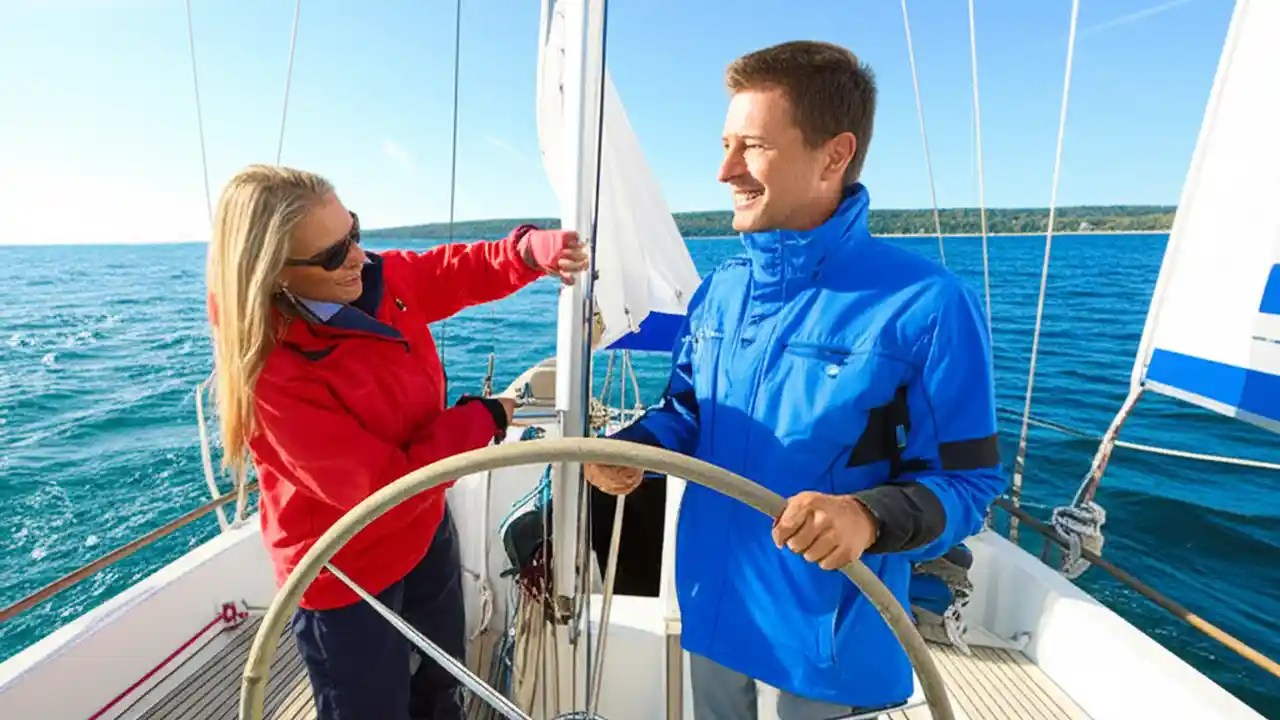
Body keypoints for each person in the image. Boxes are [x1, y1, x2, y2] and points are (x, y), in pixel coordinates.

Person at [584, 41, 1005, 719]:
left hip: (828, 642)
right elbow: (687, 411)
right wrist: (636, 447)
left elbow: (969, 485)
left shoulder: (929, 307)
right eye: (726, 145)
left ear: (833, 156)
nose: (724, 170)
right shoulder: (719, 293)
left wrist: (866, 516)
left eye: (751, 146)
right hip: (713, 605)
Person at [205, 164, 587, 720]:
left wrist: (526, 251)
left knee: (442, 685)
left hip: (424, 530)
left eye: (354, 232)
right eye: (333, 255)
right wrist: (482, 419)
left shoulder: (374, 280)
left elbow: (452, 273)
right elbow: (382, 490)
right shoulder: (271, 374)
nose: (359, 257)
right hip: (346, 575)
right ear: (273, 274)